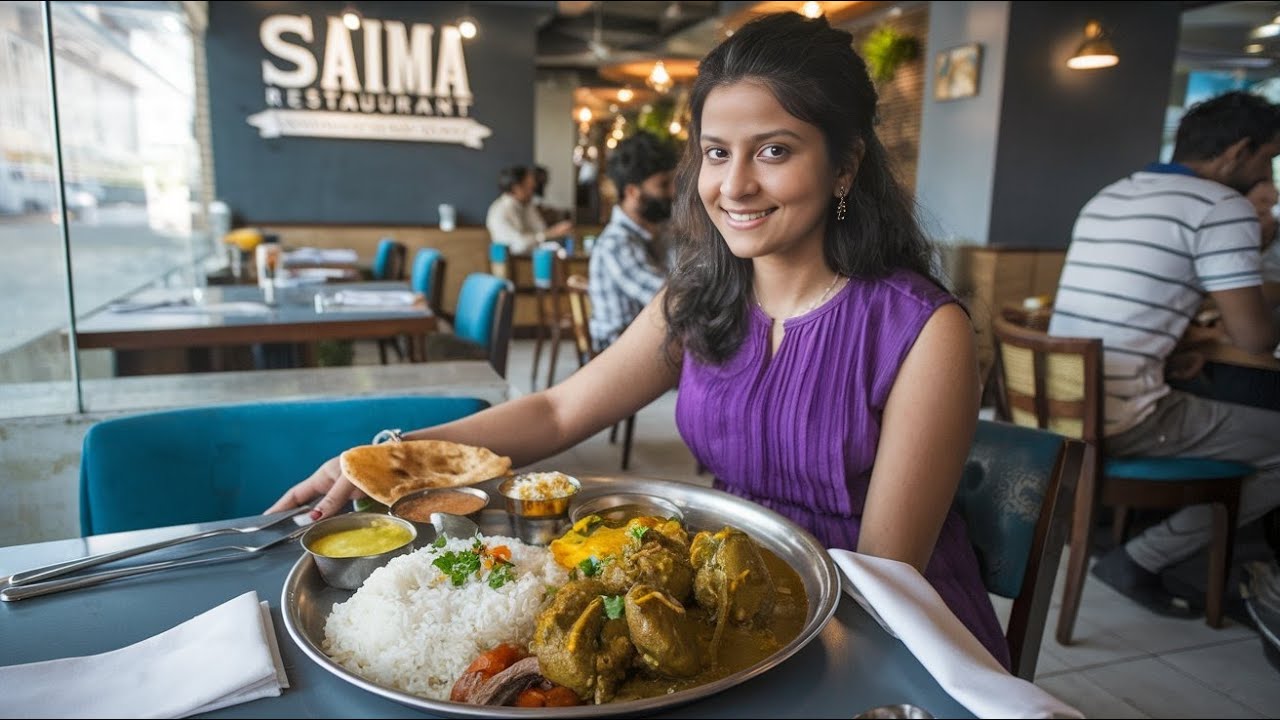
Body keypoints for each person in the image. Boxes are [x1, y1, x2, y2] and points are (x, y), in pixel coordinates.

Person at [270, 13, 1008, 668]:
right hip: (724, 600)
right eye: (717, 152)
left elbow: (881, 578)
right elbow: (558, 413)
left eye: (774, 151)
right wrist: (392, 460)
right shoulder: (700, 297)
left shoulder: (922, 331)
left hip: (876, 635)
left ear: (844, 164)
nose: (736, 185)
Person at [1049, 90, 1280, 617]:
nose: (1268, 169)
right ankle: (1140, 559)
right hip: (1123, 419)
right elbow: (1256, 340)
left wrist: (1170, 349)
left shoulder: (1110, 194)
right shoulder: (1223, 207)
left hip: (1064, 408)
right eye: (1268, 157)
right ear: (1239, 151)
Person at [587, 131, 677, 350]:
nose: (673, 192)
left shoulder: (663, 233)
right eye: (663, 185)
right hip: (621, 359)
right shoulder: (616, 243)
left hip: (660, 348)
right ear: (632, 192)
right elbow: (674, 301)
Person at [485, 165, 573, 254]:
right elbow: (519, 246)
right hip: (513, 264)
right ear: (516, 188)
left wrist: (552, 233)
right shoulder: (500, 211)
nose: (534, 189)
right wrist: (549, 233)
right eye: (530, 187)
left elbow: (541, 228)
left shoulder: (527, 205)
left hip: (534, 259)